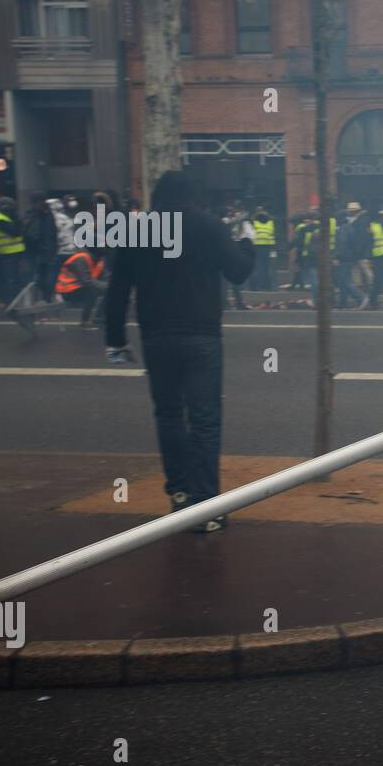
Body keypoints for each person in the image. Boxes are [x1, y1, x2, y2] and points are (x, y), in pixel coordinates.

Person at [104, 170, 255, 533]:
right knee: (204, 419)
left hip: (156, 337)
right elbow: (238, 273)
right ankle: (206, 505)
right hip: (201, 335)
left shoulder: (137, 230)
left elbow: (117, 290)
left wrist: (115, 339)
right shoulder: (210, 226)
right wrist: (249, 243)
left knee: (169, 415)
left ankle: (180, 494)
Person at [54, 236, 106, 327]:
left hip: (79, 288)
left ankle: (99, 318)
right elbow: (86, 281)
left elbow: (104, 277)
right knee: (92, 291)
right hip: (67, 290)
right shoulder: (81, 258)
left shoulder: (98, 260)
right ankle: (84, 321)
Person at [0, 197, 27, 306]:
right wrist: (17, 220)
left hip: (14, 253)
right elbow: (16, 232)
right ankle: (9, 301)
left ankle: (14, 300)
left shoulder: (6, 217)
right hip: (6, 254)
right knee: (9, 279)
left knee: (16, 278)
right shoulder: (0, 219)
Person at [21, 193, 59, 303]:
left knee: (45, 276)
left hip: (45, 252)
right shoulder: (33, 214)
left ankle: (45, 298)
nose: (42, 204)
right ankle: (36, 300)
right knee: (36, 277)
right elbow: (31, 235)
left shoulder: (46, 214)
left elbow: (52, 232)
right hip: (36, 252)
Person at [335, 201, 369, 309]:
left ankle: (361, 297)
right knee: (343, 280)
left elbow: (342, 244)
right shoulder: (349, 226)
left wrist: (336, 256)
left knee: (344, 280)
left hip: (345, 257)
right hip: (350, 256)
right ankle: (342, 303)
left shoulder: (344, 228)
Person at [249, 207, 276, 290]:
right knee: (266, 267)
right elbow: (272, 235)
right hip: (267, 247)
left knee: (257, 267)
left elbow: (250, 234)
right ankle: (267, 286)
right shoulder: (270, 223)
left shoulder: (254, 223)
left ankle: (256, 286)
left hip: (256, 246)